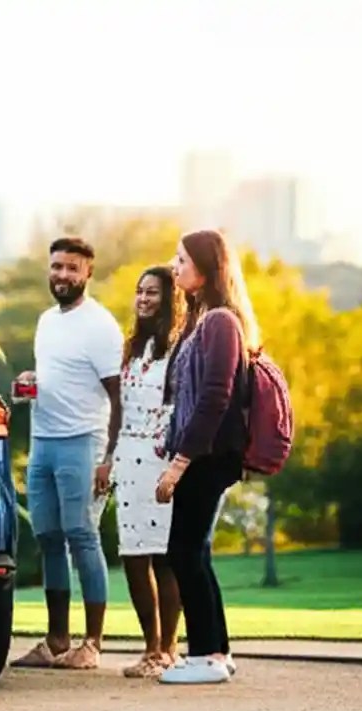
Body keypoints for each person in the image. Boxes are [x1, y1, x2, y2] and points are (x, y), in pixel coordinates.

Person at [10, 236, 124, 671]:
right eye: (56, 266)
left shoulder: (101, 326)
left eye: (72, 268)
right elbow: (62, 375)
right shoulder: (46, 321)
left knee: (82, 535)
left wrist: (109, 458)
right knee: (48, 539)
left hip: (84, 441)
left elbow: (119, 397)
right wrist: (31, 382)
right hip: (44, 441)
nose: (62, 274)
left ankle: (91, 644)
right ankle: (57, 640)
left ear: (88, 273)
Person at [155, 229, 258, 684]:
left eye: (182, 260)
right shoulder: (203, 320)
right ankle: (219, 651)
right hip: (202, 453)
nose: (174, 266)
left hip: (209, 456)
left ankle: (204, 657)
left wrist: (180, 463)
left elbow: (215, 397)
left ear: (206, 268)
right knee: (195, 551)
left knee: (183, 552)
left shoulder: (219, 322)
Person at [111, 266, 184, 678]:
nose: (143, 298)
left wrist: (175, 463)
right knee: (134, 557)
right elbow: (117, 407)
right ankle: (150, 647)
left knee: (165, 558)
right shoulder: (133, 348)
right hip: (129, 457)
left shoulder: (180, 347)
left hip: (162, 458)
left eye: (152, 292)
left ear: (169, 298)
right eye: (139, 291)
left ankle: (167, 649)